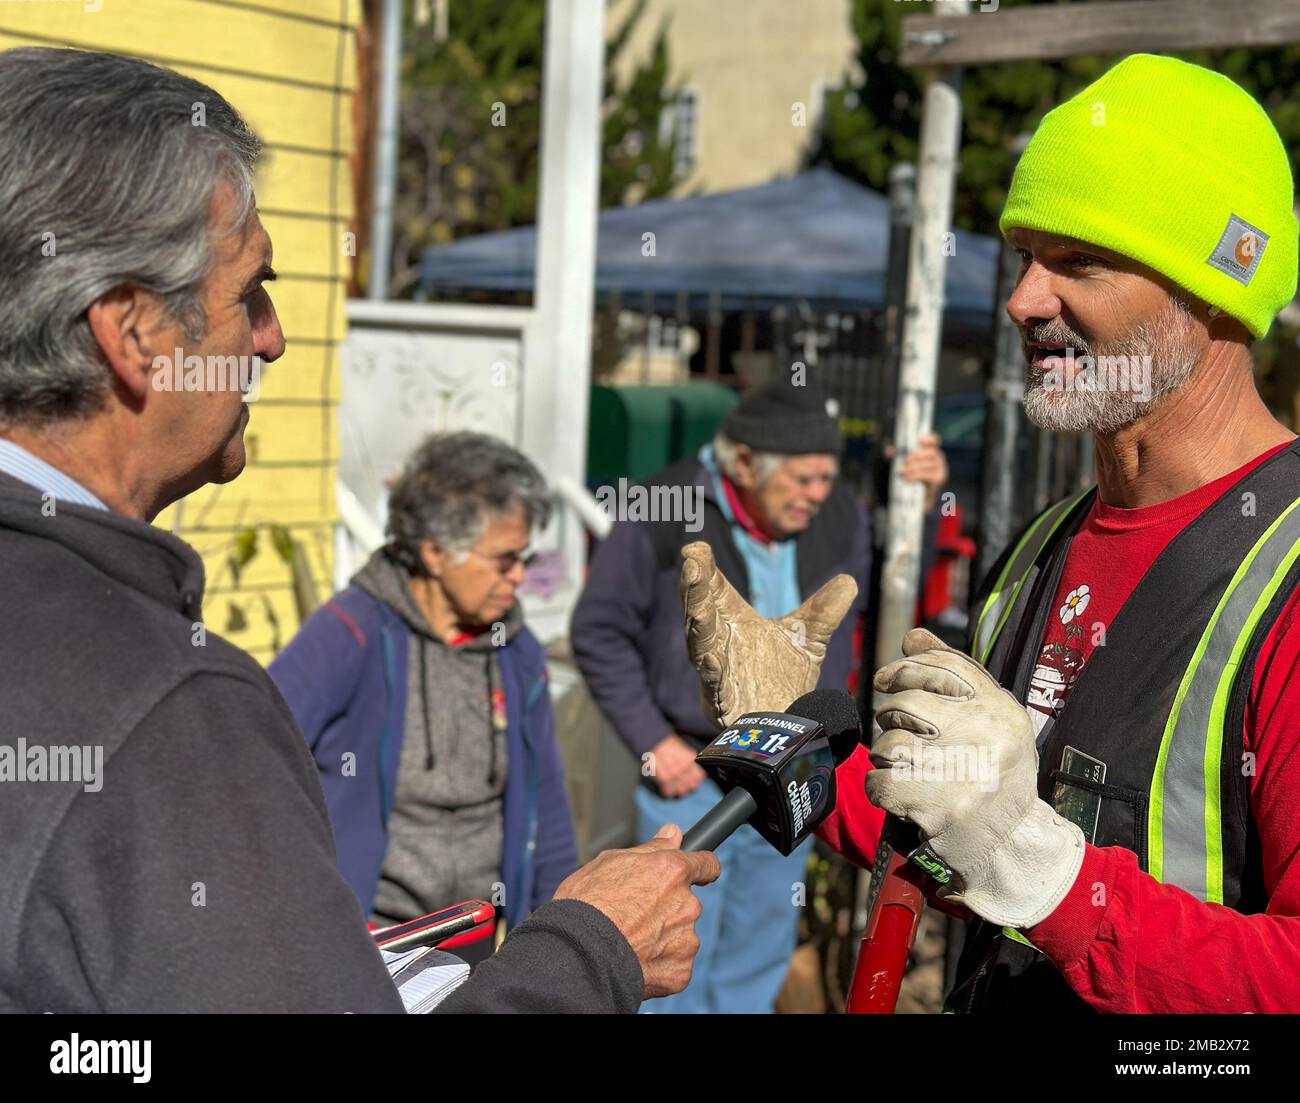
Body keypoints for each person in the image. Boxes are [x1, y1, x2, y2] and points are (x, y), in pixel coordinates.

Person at [0, 46, 718, 1014]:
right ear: (133, 332)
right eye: (250, 288)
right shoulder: (177, 703)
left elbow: (542, 805)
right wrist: (593, 950)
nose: (274, 335)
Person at [691, 55, 1300, 1014]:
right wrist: (787, 737)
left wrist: (1048, 878)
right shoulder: (1043, 548)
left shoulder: (1288, 577)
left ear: (1221, 282)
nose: (1023, 299)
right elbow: (952, 824)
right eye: (1023, 255)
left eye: (1081, 262)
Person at [571, 375, 946, 1012]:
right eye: (802, 480)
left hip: (796, 770)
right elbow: (597, 628)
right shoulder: (665, 506)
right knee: (666, 956)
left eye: (827, 478)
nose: (818, 495)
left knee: (759, 948)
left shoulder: (835, 513)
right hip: (694, 774)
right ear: (745, 463)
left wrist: (924, 502)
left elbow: (886, 595)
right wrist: (652, 740)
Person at [270, 432, 578, 949]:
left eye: (525, 557)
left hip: (476, 939)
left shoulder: (517, 650)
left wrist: (561, 931)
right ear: (436, 552)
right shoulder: (353, 630)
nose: (520, 577)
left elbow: (545, 799)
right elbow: (257, 747)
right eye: (504, 560)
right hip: (367, 940)